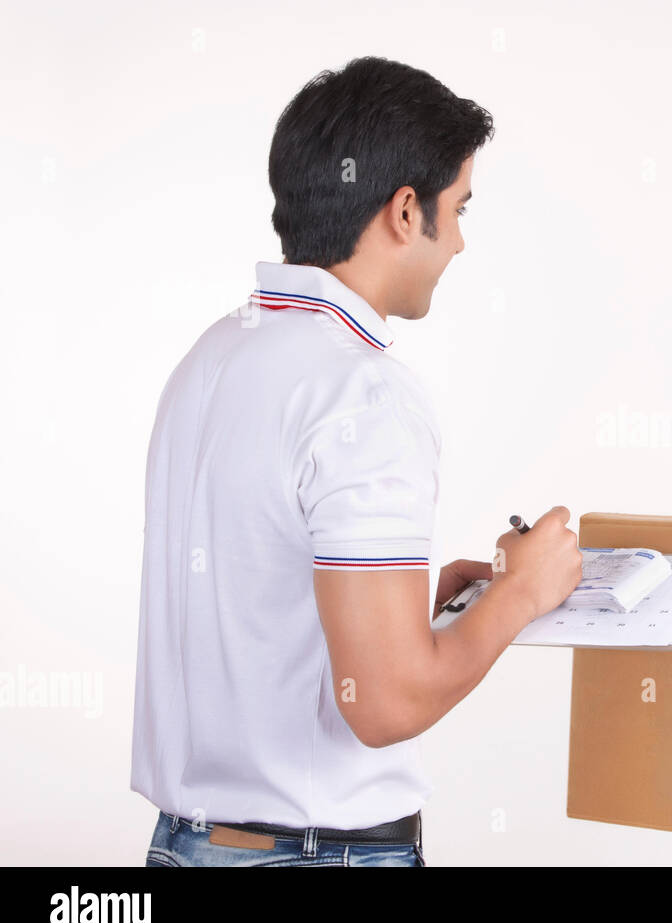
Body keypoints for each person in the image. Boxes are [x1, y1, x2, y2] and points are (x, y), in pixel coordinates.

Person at [132, 56, 582, 867]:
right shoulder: (363, 392)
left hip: (186, 845)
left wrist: (410, 612)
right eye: (460, 208)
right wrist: (521, 594)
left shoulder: (213, 356)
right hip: (312, 853)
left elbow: (262, 603)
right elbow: (385, 702)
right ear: (406, 211)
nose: (463, 242)